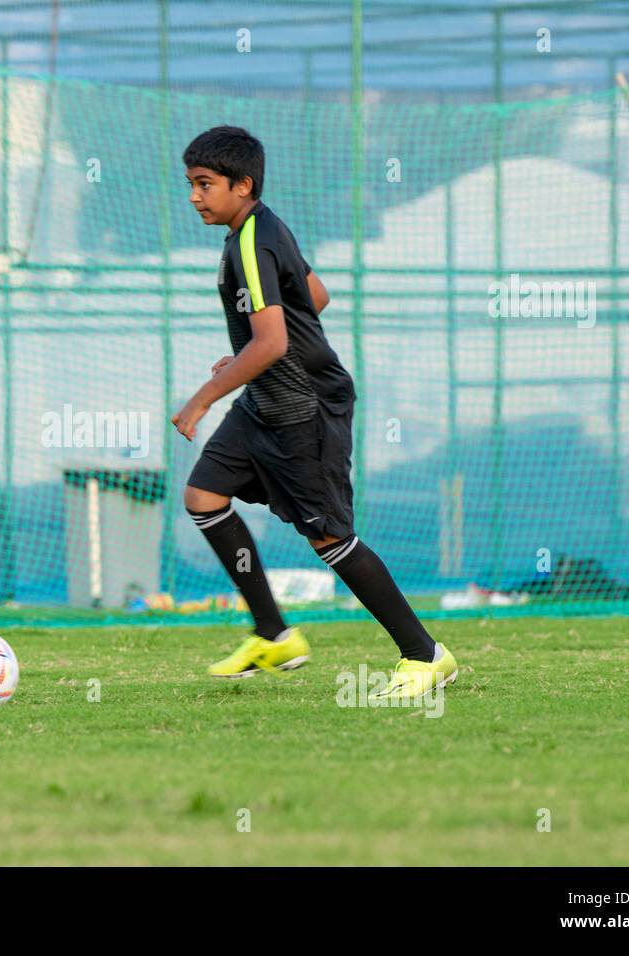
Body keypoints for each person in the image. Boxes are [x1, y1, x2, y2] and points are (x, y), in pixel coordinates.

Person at [172, 126, 458, 698]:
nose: (195, 196)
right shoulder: (260, 228)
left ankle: (426, 656)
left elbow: (275, 342)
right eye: (191, 185)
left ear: (241, 184)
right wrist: (250, 352)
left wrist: (204, 397)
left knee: (330, 540)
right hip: (266, 404)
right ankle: (274, 634)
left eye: (205, 185)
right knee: (204, 496)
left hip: (304, 409)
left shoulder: (252, 241)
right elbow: (314, 297)